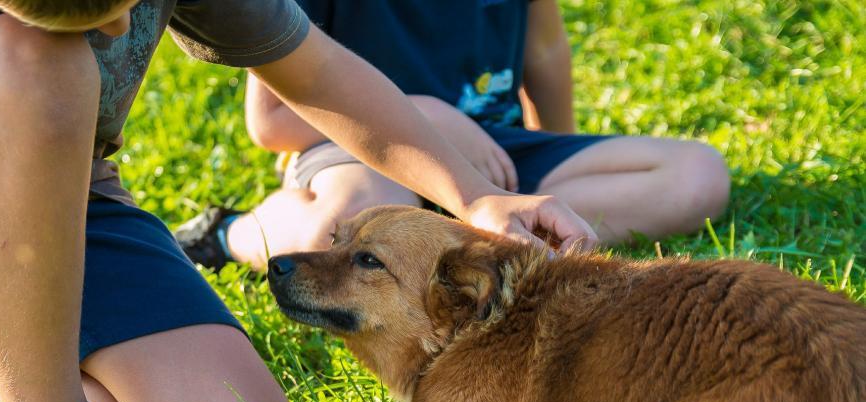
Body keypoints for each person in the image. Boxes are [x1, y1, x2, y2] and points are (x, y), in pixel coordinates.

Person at [0, 0, 595, 402]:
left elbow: (312, 69)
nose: (117, 27)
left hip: (61, 203)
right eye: (90, 10)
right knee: (41, 63)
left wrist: (472, 194)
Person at [176, 0, 730, 271]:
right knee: (337, 241)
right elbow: (270, 121)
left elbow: (543, 50)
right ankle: (229, 233)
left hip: (491, 151)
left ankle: (462, 231)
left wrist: (551, 177)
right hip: (358, 152)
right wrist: (427, 114)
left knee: (696, 176)